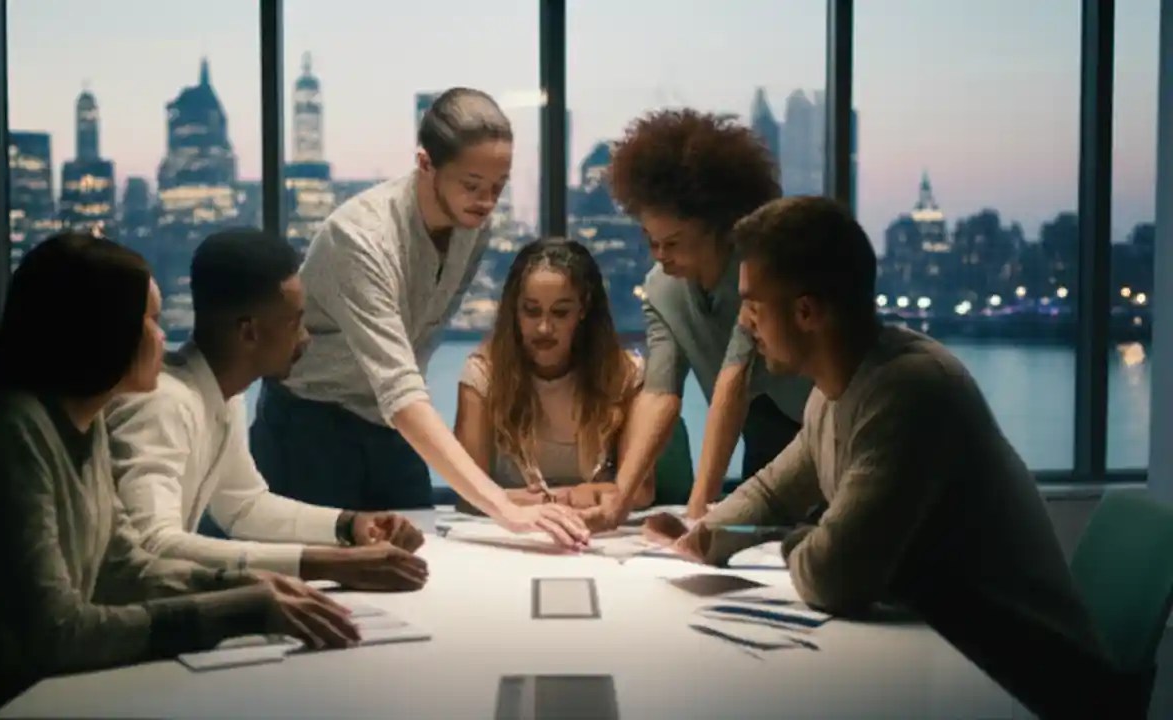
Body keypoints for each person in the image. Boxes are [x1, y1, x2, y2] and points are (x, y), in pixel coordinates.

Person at [643, 197, 1131, 718]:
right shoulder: (836, 389)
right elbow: (774, 491)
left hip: (1029, 685)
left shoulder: (908, 391)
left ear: (807, 312)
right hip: (948, 659)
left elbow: (834, 578)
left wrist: (791, 539)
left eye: (754, 306)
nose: (745, 324)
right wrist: (707, 533)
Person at [0, 233, 359, 716]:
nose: (164, 336)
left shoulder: (83, 423)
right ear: (100, 329)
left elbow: (124, 567)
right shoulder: (8, 434)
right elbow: (56, 632)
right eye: (151, 320)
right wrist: (240, 609)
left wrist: (246, 586)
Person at [250, 87, 588, 549]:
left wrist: (497, 495)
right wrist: (501, 506)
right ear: (426, 164)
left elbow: (421, 340)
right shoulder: (360, 237)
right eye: (472, 185)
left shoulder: (475, 224)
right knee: (324, 584)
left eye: (498, 187)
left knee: (422, 564)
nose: (487, 202)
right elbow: (401, 387)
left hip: (390, 430)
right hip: (311, 424)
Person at [106, 229, 427, 592]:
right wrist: (325, 564)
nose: (305, 337)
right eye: (294, 322)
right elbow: (153, 544)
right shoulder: (164, 403)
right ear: (248, 333)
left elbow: (244, 507)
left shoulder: (222, 397)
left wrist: (348, 525)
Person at [596, 108, 814, 528]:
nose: (660, 255)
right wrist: (619, 501)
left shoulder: (757, 272)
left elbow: (733, 382)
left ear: (722, 226)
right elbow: (660, 394)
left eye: (673, 242)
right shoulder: (660, 289)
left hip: (825, 431)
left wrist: (698, 513)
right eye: (650, 241)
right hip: (761, 441)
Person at [453, 239, 653, 516]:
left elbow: (641, 491)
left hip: (598, 535)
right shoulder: (483, 376)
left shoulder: (625, 375)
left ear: (583, 310)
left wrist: (522, 499)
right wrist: (571, 499)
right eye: (531, 311)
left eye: (560, 313)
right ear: (514, 310)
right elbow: (467, 493)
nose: (544, 328)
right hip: (509, 538)